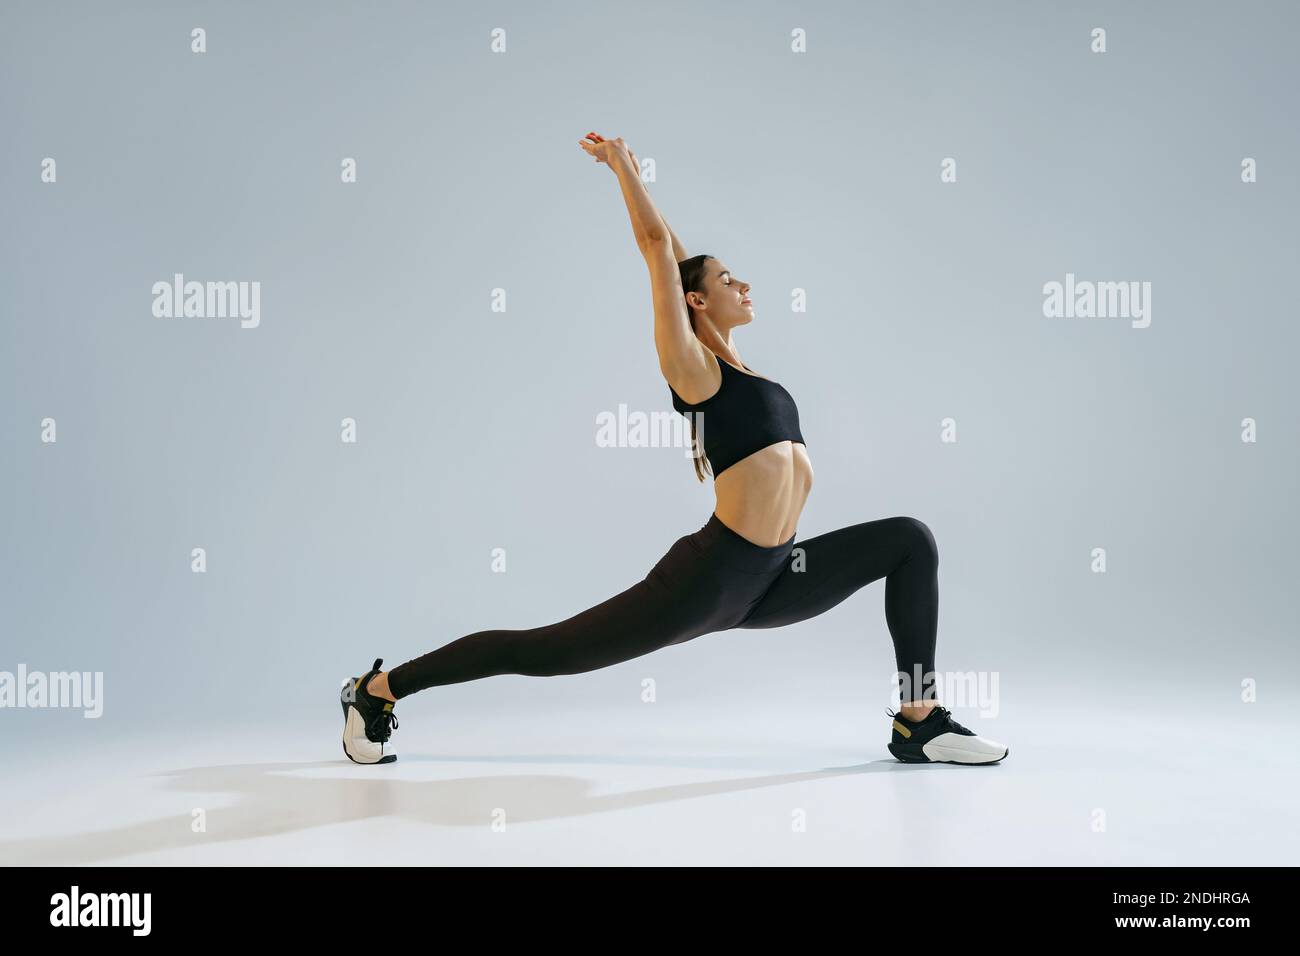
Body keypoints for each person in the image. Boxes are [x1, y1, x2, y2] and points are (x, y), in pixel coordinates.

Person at [339, 132, 1009, 767]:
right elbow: (660, 249)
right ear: (696, 300)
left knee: (909, 540)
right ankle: (377, 692)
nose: (744, 286)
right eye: (728, 280)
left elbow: (681, 261)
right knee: (547, 651)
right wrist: (623, 166)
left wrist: (683, 256)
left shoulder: (741, 367)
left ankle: (917, 723)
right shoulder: (694, 372)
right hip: (708, 581)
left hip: (779, 575)